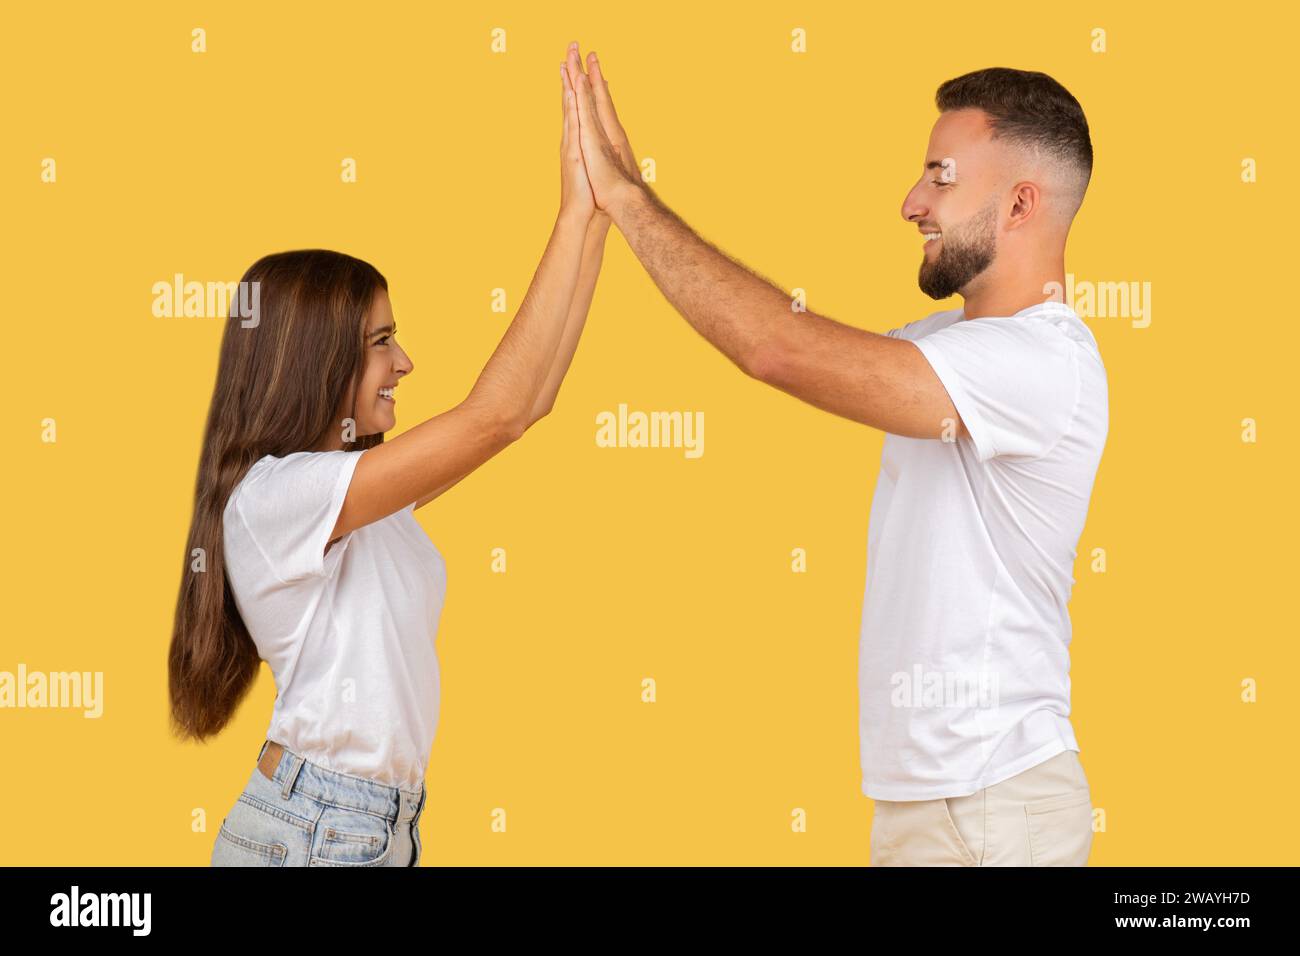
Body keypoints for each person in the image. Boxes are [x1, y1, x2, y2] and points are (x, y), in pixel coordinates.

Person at [561, 44, 1106, 866]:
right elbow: (781, 340)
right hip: (935, 803)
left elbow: (777, 348)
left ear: (1023, 203)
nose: (911, 201)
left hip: (994, 804)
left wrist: (633, 203)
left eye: (942, 176)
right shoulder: (939, 348)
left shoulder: (1043, 362)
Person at [168, 59, 607, 866]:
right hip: (317, 830)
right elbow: (495, 414)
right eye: (380, 342)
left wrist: (596, 213)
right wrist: (570, 212)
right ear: (315, 362)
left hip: (362, 827)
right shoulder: (278, 499)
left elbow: (530, 403)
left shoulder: (361, 503)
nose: (404, 362)